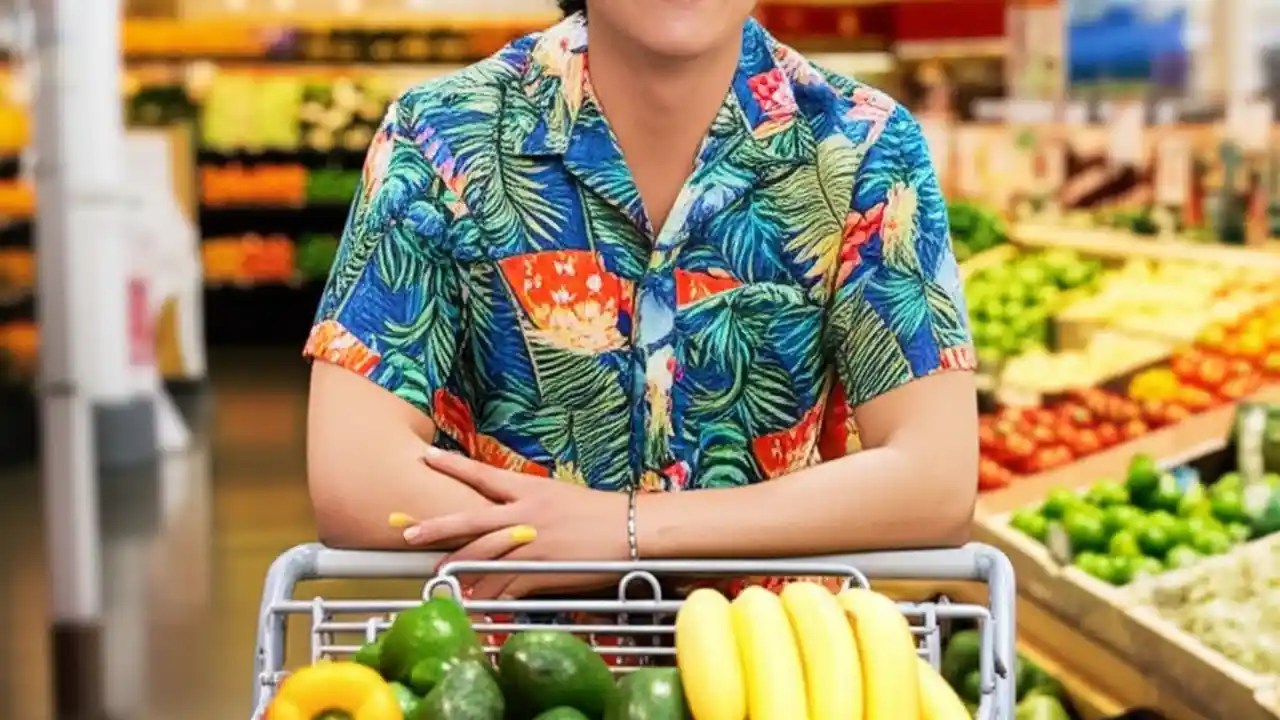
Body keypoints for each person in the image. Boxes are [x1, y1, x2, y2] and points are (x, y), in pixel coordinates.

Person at [305, 0, 978, 603]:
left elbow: (935, 477)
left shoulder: (861, 145)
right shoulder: (444, 136)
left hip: (769, 671)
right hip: (512, 682)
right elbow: (356, 477)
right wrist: (569, 537)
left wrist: (623, 531)